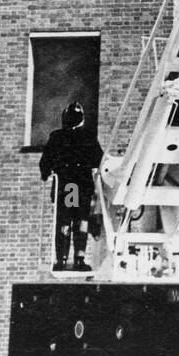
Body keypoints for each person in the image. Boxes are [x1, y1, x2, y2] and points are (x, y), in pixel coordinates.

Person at [39, 102, 103, 273]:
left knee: (69, 221)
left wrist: (46, 173)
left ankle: (64, 259)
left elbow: (46, 161)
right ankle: (76, 259)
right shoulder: (87, 136)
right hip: (77, 186)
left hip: (70, 186)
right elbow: (99, 160)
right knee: (78, 222)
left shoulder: (57, 136)